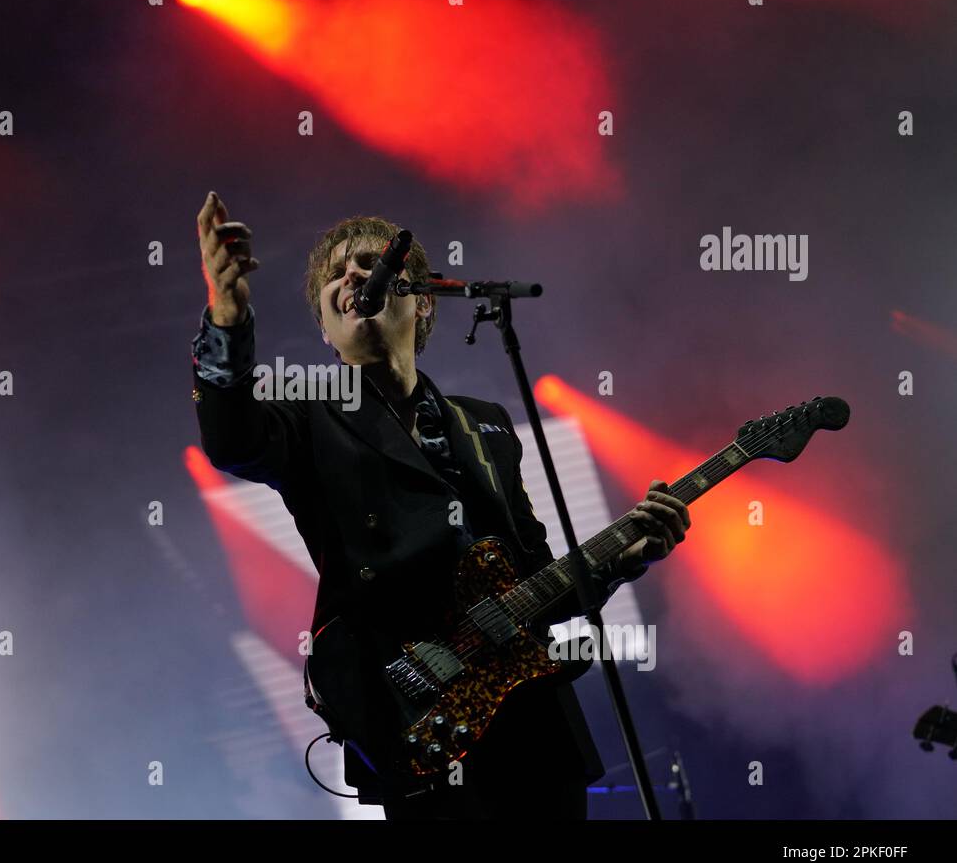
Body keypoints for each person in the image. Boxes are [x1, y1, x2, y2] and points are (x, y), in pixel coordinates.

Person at [190, 191, 690, 819]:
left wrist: (624, 561)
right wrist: (228, 317)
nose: (353, 275)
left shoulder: (485, 426)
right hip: (420, 719)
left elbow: (534, 579)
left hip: (533, 731)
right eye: (335, 275)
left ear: (421, 298)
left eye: (370, 263)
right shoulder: (307, 415)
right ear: (325, 326)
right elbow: (232, 439)